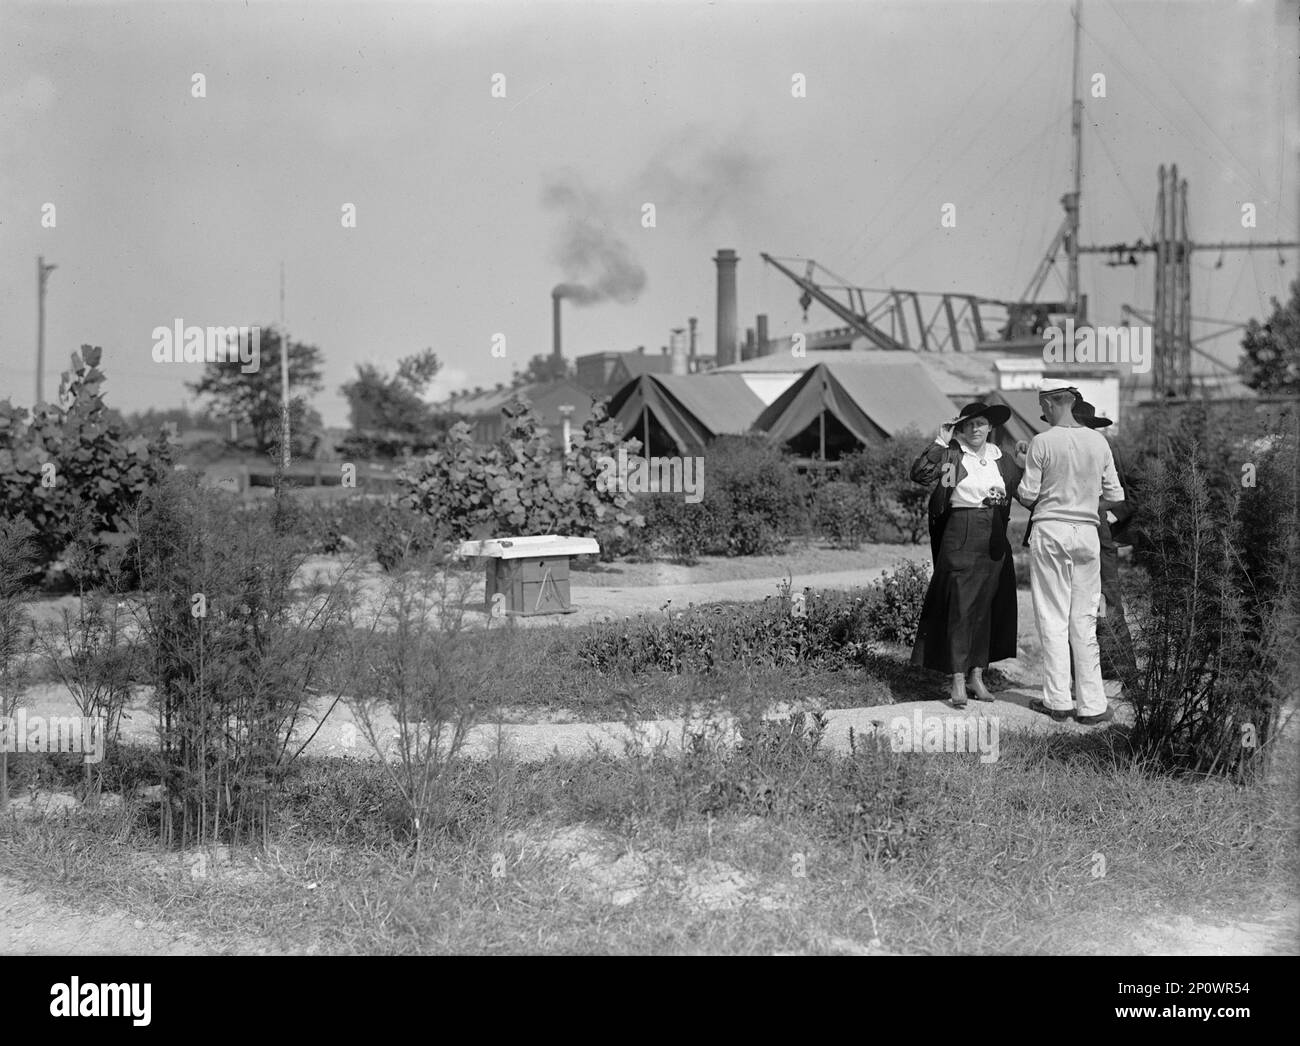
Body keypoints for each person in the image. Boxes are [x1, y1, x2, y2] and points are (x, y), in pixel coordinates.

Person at [1016, 380, 1125, 725]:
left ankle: (1058, 701)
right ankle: (1092, 705)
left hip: (1051, 531)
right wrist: (1086, 503)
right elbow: (1116, 496)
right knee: (1085, 619)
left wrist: (1024, 468)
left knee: (1052, 616)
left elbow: (1028, 496)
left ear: (1050, 403)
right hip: (1088, 533)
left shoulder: (1041, 442)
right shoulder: (1098, 441)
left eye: (1042, 405)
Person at [909, 402, 1022, 708]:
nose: (976, 430)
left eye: (981, 424)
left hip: (995, 532)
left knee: (986, 604)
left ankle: (977, 676)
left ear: (990, 427)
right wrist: (940, 441)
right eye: (969, 425)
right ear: (960, 428)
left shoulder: (1001, 459)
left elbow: (1023, 489)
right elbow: (920, 474)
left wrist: (1025, 462)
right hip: (961, 529)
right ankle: (956, 679)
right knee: (960, 603)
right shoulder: (952, 455)